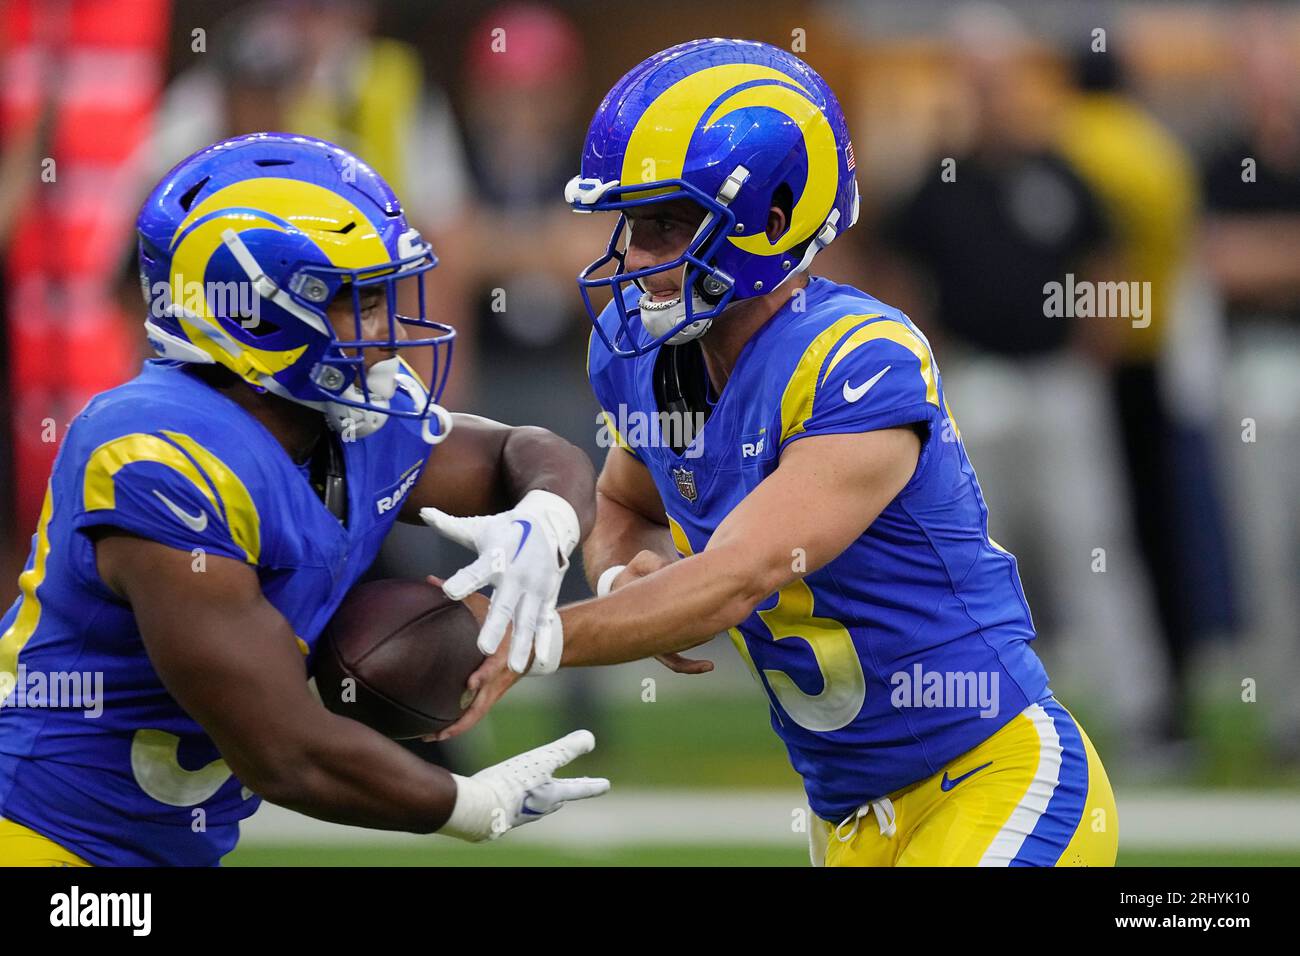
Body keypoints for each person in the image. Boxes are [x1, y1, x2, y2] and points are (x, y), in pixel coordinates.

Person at [433, 38, 1118, 867]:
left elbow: (739, 574)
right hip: (844, 818)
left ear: (772, 216)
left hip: (991, 776)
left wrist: (529, 636)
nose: (635, 257)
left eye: (666, 223)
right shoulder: (642, 352)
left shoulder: (856, 360)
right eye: (629, 222)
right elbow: (624, 503)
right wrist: (625, 574)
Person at [0, 133, 606, 867]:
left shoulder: (349, 416)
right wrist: (472, 805)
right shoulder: (156, 458)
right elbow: (281, 750)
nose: (387, 331)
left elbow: (521, 452)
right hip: (36, 834)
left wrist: (547, 519)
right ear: (252, 315)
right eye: (357, 300)